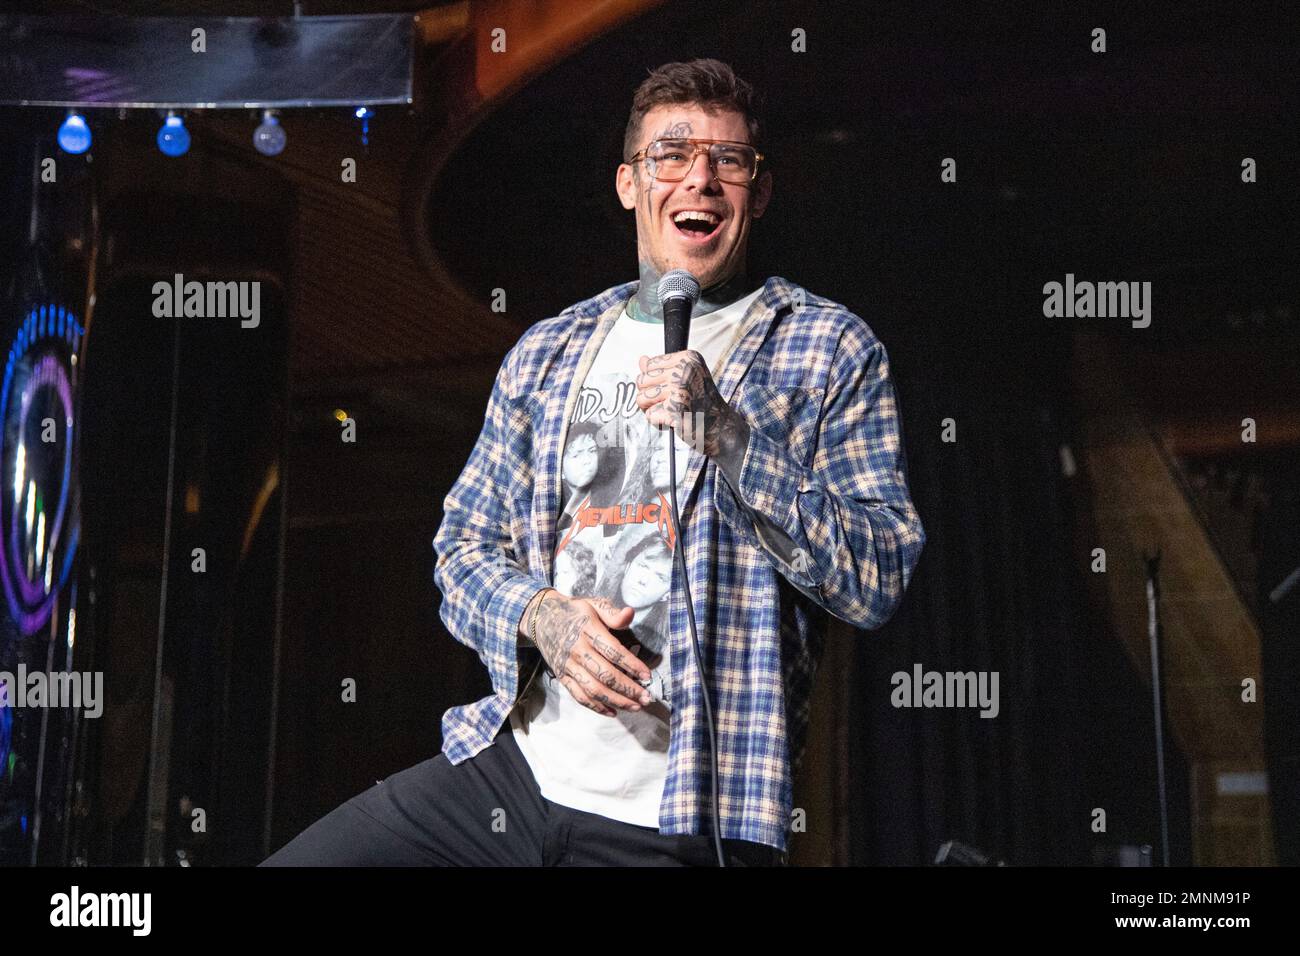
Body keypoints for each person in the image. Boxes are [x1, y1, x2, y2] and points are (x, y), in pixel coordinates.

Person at [261, 57, 925, 867]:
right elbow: (462, 549)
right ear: (627, 184)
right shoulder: (550, 350)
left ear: (761, 191)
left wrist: (731, 438)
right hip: (509, 779)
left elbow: (878, 576)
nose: (701, 180)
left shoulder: (828, 348)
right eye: (671, 157)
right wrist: (545, 618)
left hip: (684, 817)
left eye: (730, 162)